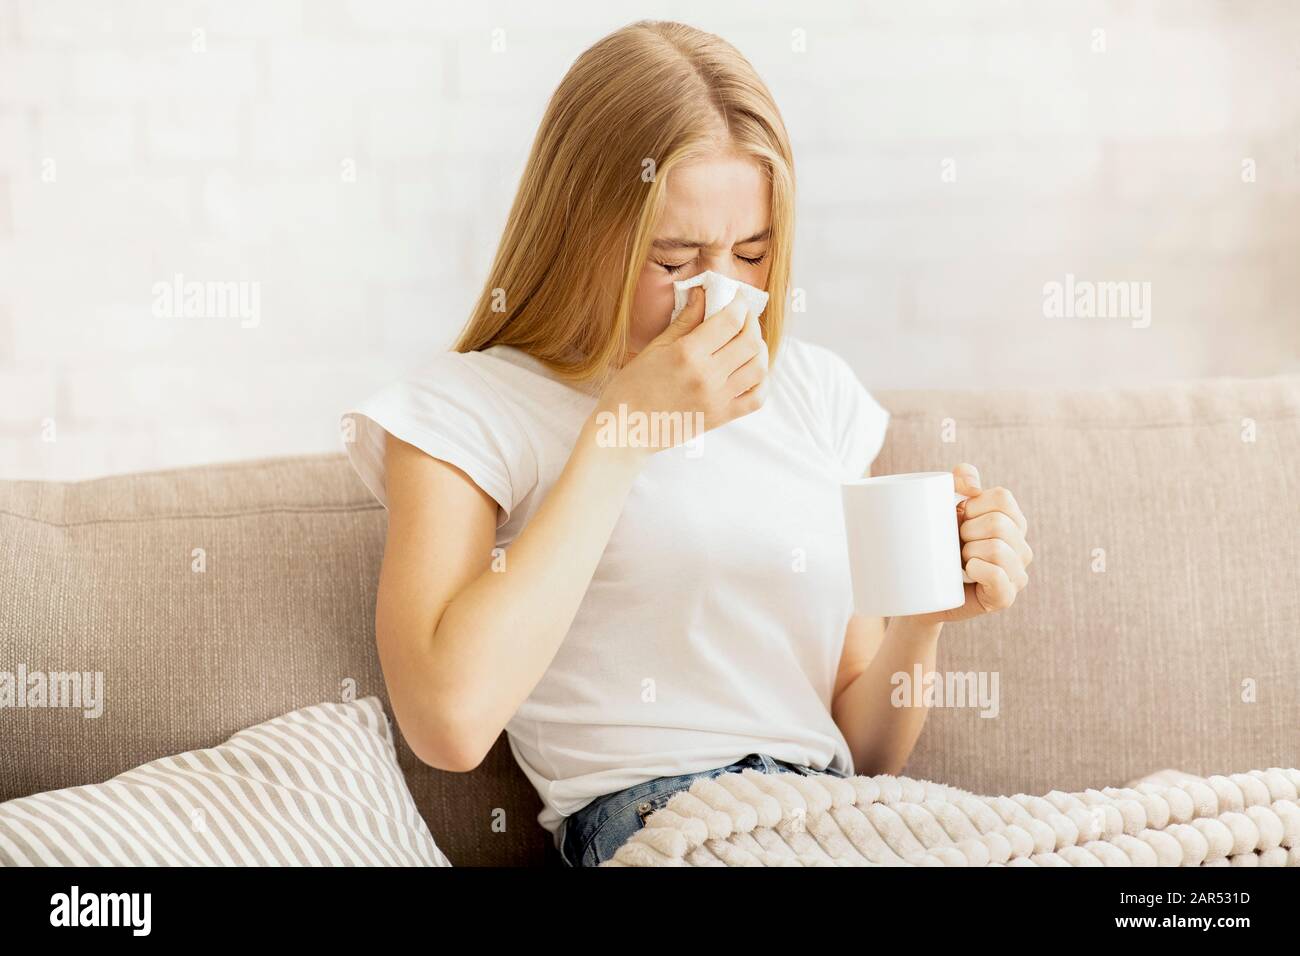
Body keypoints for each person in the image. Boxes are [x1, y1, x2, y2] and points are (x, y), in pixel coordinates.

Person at [340, 20, 1032, 867]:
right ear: (579, 230)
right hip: (660, 828)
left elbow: (864, 745)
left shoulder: (809, 392)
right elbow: (448, 722)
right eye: (675, 259)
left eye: (752, 252)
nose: (725, 294)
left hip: (835, 817)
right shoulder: (469, 409)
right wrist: (625, 431)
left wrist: (922, 620)